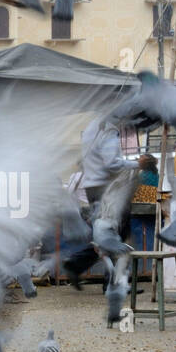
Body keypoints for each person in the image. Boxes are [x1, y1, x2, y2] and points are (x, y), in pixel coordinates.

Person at [63, 117, 137, 289]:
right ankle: (110, 281)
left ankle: (81, 266)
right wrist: (136, 163)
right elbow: (112, 163)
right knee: (119, 234)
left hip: (95, 189)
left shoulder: (90, 128)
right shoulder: (109, 130)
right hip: (107, 189)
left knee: (109, 234)